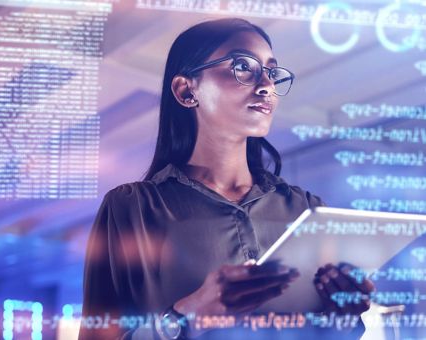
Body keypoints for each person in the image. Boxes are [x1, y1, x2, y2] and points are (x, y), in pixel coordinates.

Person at [79, 18, 373, 340]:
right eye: (243, 66)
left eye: (271, 72)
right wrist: (185, 317)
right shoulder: (132, 208)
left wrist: (342, 319)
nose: (266, 85)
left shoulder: (308, 210)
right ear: (186, 90)